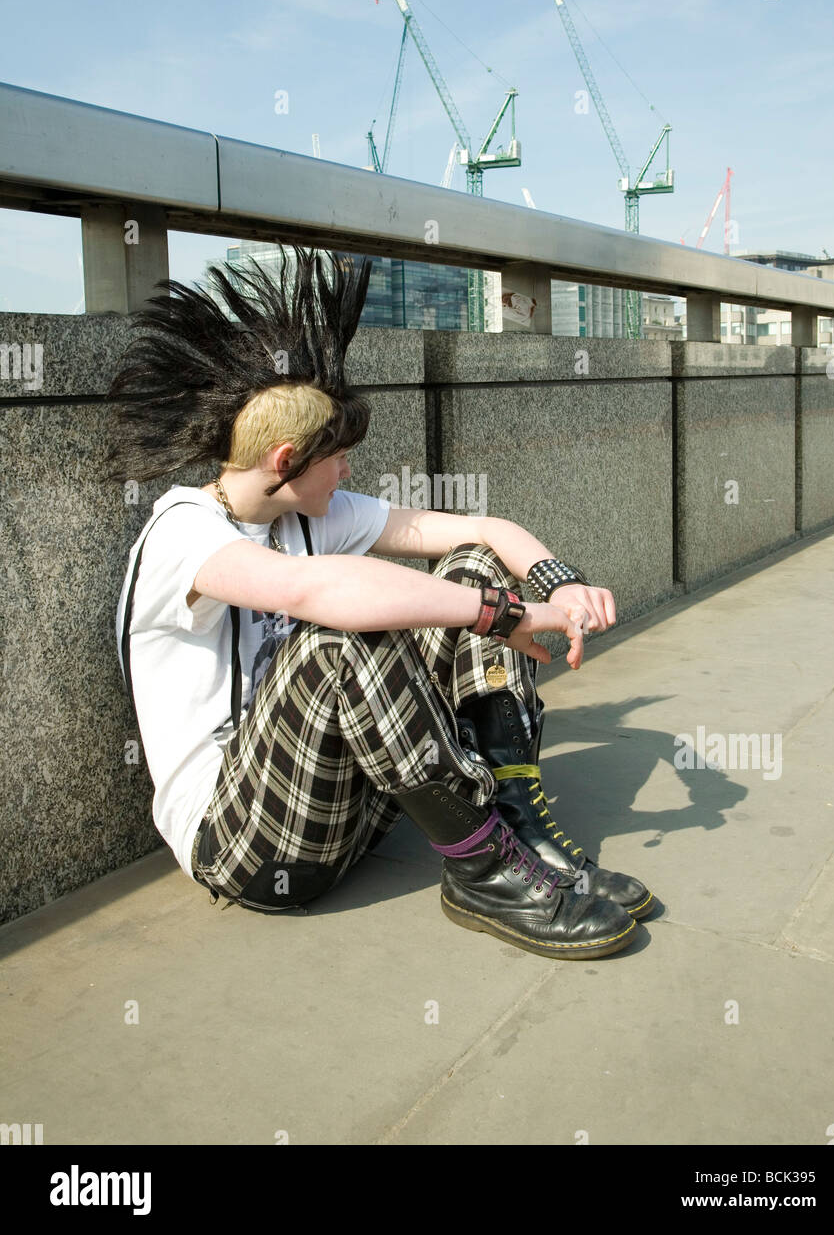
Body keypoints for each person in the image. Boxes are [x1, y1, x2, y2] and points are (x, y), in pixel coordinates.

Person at [108, 243, 652, 961]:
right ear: (285, 462)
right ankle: (483, 872)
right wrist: (510, 616)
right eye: (336, 457)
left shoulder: (309, 513)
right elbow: (324, 592)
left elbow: (483, 531)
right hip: (248, 844)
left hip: (349, 804)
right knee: (340, 636)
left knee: (468, 569)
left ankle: (515, 830)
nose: (348, 470)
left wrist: (557, 584)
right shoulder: (184, 531)